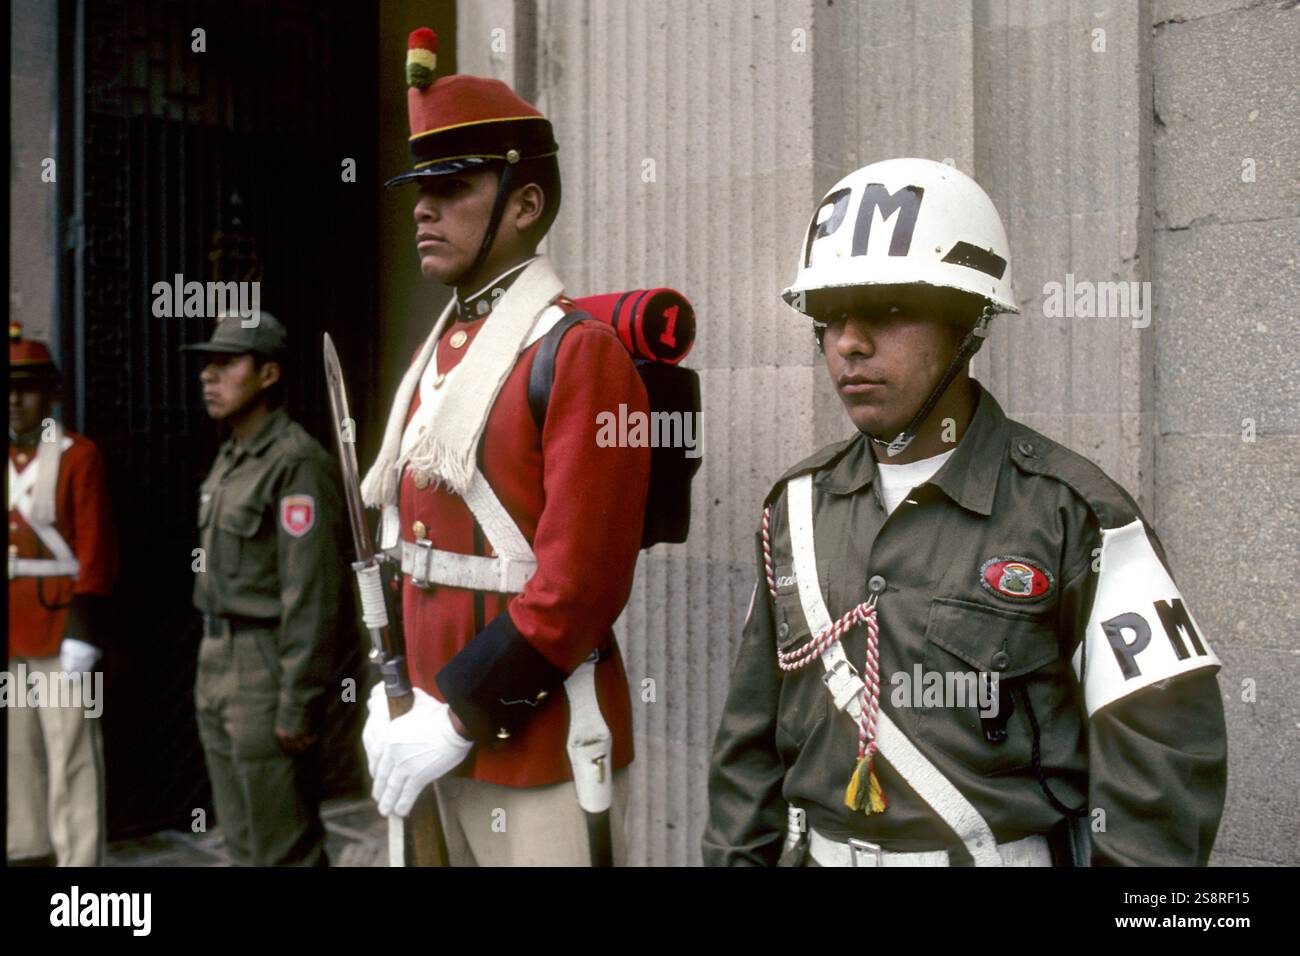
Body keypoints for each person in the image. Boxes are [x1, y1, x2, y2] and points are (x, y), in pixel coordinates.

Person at [702, 158, 1227, 867]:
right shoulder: (796, 507)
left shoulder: (1075, 516)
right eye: (830, 317)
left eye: (888, 311)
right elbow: (749, 750)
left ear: (969, 325)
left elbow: (1164, 761)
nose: (849, 344)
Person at [360, 28, 651, 866]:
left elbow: (578, 585)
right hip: (432, 722)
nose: (422, 208)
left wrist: (457, 716)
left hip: (536, 743)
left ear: (523, 205)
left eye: (450, 187)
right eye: (420, 189)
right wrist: (402, 701)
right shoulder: (441, 357)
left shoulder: (577, 354)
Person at [182, 310, 344, 866]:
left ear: (269, 375)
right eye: (207, 365)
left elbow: (313, 592)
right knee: (243, 839)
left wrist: (298, 699)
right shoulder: (231, 458)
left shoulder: (295, 462)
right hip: (217, 657)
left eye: (227, 363)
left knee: (283, 846)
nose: (209, 375)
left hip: (263, 664)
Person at [7, 321, 117, 866]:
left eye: (25, 387)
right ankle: (25, 851)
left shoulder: (78, 455)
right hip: (10, 633)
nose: (14, 399)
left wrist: (83, 632)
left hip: (58, 629)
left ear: (48, 393)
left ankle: (79, 872)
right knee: (15, 753)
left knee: (71, 756)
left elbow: (96, 550)